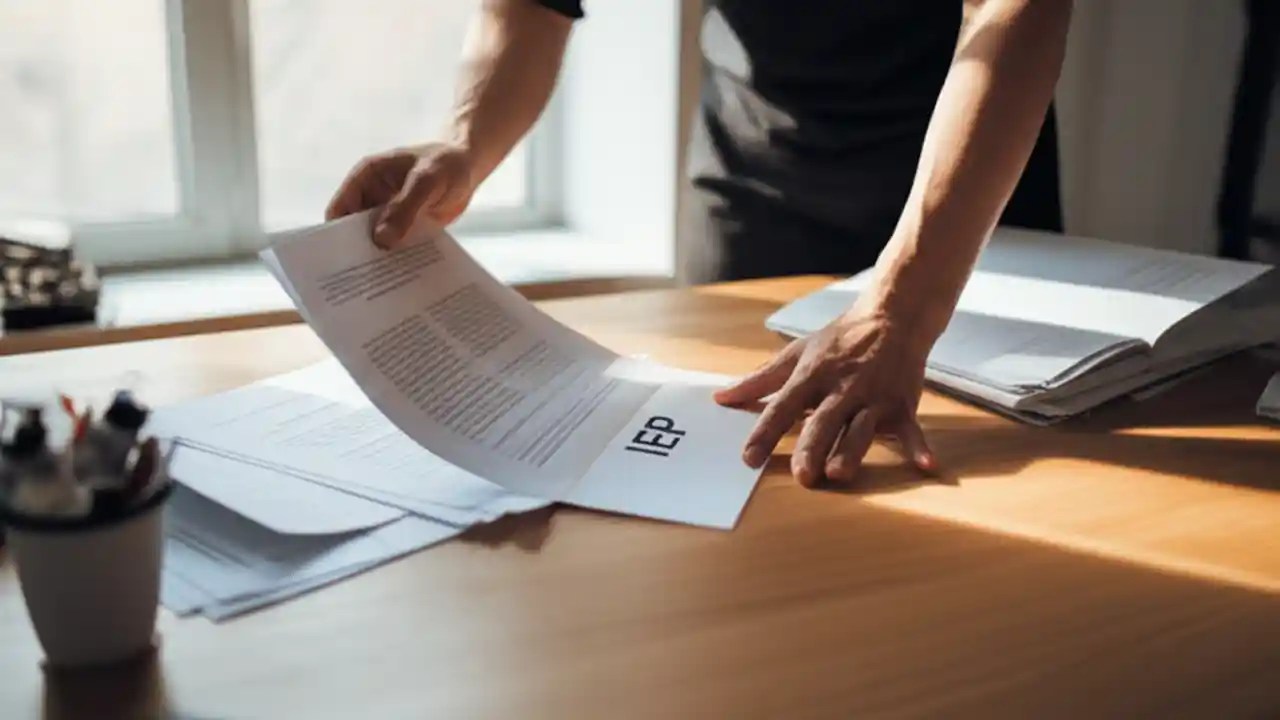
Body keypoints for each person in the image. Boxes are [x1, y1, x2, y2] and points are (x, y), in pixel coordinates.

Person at [326, 0, 1074, 486]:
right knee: (749, 486)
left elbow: (1017, 11)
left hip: (966, 198)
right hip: (752, 179)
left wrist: (902, 303)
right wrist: (465, 143)